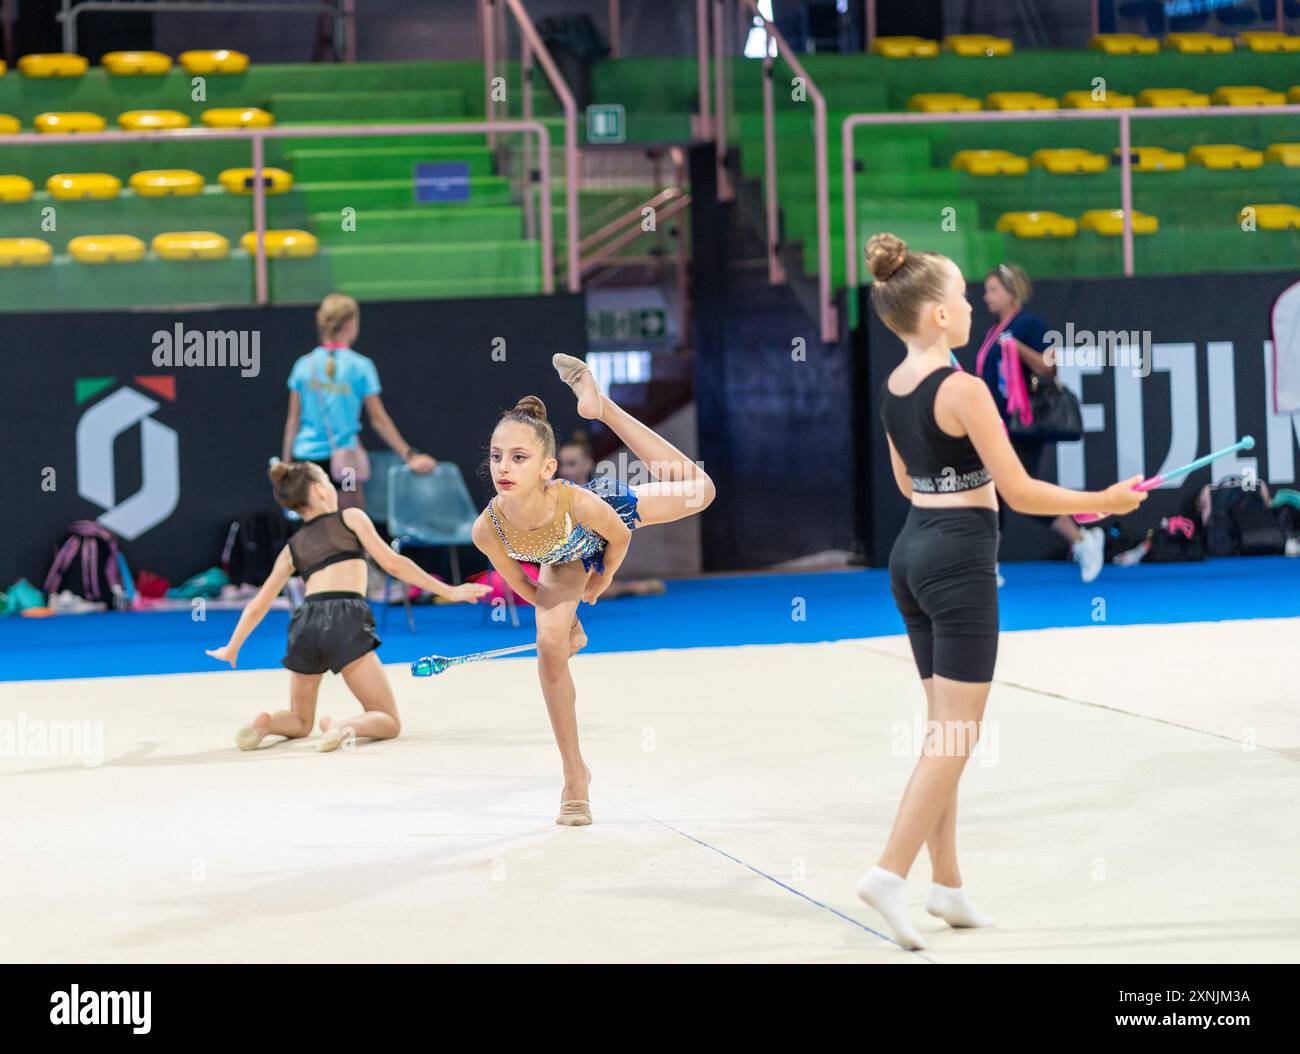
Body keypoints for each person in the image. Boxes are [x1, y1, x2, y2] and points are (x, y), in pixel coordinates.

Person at [859, 233, 1145, 949]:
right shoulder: (962, 388)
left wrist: (953, 484)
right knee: (958, 735)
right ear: (936, 317)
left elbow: (906, 482)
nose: (969, 303)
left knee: (941, 732)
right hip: (957, 562)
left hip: (912, 554)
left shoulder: (895, 389)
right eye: (959, 295)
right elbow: (1017, 490)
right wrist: (1103, 502)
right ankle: (888, 873)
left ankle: (947, 885)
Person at [470, 356, 715, 827]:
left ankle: (603, 408)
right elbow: (519, 581)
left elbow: (619, 538)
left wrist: (601, 580)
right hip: (561, 560)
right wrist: (565, 620)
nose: (504, 466)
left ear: (547, 468)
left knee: (700, 490)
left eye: (519, 458)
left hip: (600, 524)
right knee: (547, 648)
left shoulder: (578, 499)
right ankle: (574, 775)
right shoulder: (487, 528)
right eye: (497, 455)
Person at [206, 461, 490, 752]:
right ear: (319, 490)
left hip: (305, 621)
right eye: (329, 483)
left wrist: (233, 646)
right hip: (345, 618)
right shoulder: (351, 518)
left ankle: (265, 724)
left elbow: (259, 603)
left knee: (300, 720)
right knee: (388, 720)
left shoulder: (293, 546)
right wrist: (450, 591)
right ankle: (344, 727)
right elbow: (393, 563)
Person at [979, 263, 1106, 583]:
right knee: (999, 493)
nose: (986, 297)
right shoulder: (993, 330)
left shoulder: (1029, 325)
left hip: (1022, 426)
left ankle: (1082, 540)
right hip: (996, 426)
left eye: (994, 290)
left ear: (1012, 292)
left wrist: (1016, 347)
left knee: (1016, 493)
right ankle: (988, 565)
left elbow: (1049, 369)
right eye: (987, 290)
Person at [281, 293, 437, 511]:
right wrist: (409, 455)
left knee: (316, 529)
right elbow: (379, 419)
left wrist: (285, 469)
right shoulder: (361, 367)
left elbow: (292, 422)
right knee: (351, 525)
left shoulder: (303, 365)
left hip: (305, 462)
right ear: (351, 324)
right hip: (344, 465)